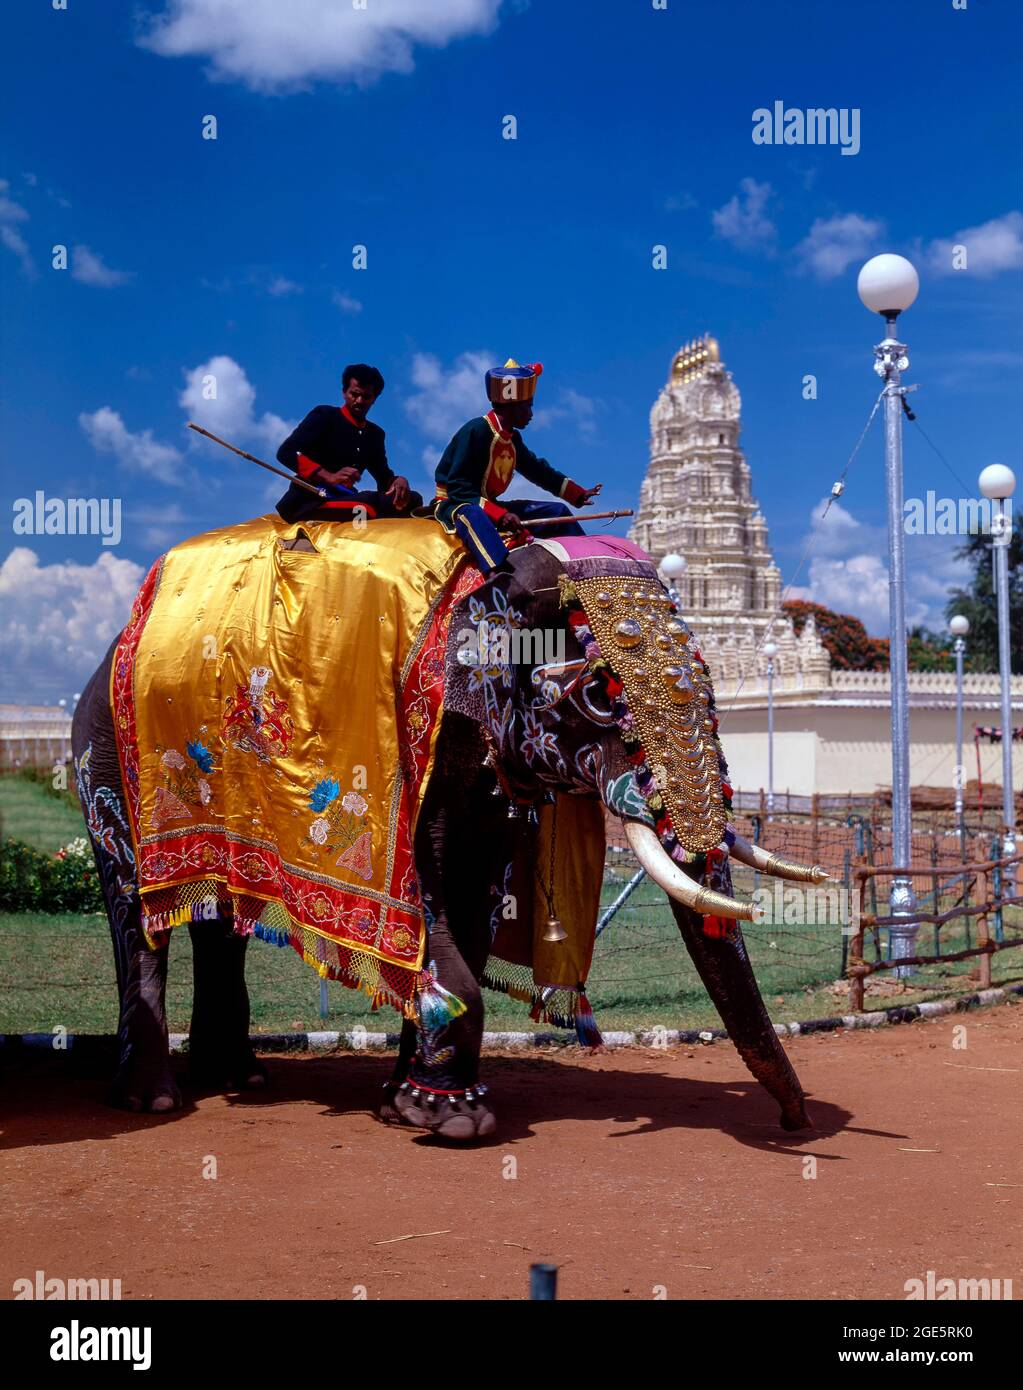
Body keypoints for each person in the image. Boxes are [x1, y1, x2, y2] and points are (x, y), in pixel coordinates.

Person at [432, 359, 602, 572]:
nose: (531, 414)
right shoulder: (476, 430)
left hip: (488, 504)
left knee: (558, 512)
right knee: (474, 516)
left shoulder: (513, 439)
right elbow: (458, 488)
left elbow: (537, 470)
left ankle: (591, 566)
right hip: (456, 504)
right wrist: (500, 514)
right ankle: (499, 575)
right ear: (512, 405)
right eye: (528, 406)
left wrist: (577, 494)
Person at [275, 363, 421, 523]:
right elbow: (286, 452)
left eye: (366, 397)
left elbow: (383, 477)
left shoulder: (374, 435)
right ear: (344, 392)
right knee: (366, 504)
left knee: (412, 500)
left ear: (374, 399)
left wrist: (398, 482)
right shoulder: (325, 416)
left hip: (346, 499)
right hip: (310, 501)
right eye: (354, 394)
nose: (359, 401)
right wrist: (328, 476)